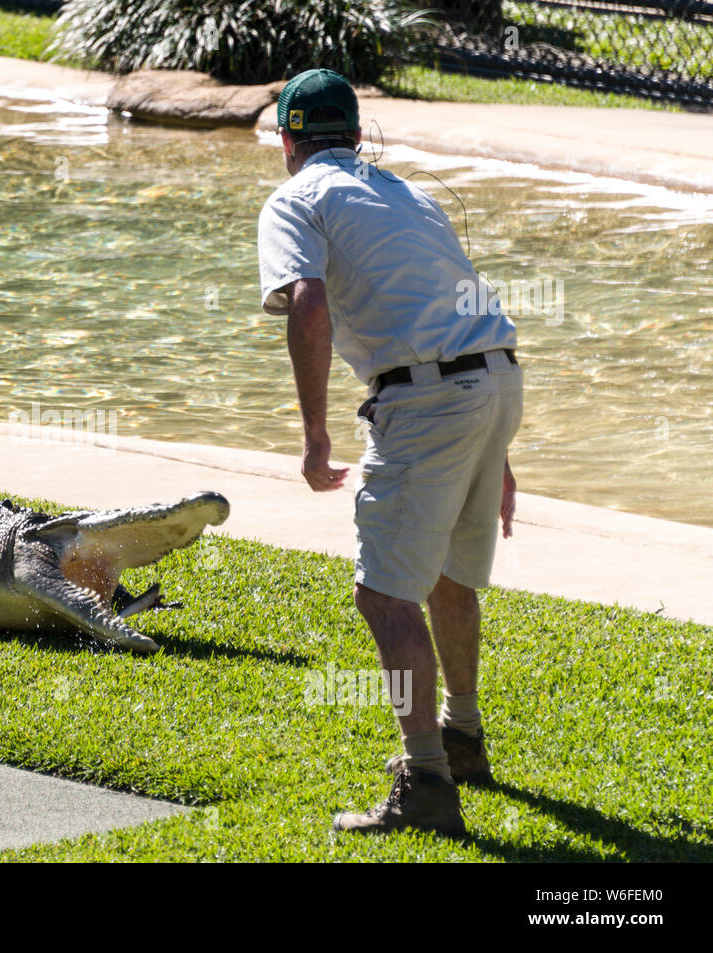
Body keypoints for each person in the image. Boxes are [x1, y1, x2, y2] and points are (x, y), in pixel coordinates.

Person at [257, 68, 523, 837]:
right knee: (445, 574)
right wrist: (495, 449)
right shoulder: (412, 194)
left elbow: (307, 301)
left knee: (384, 594)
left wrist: (315, 437)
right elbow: (460, 299)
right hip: (494, 378)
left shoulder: (296, 197)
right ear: (359, 135)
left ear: (287, 139)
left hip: (429, 400)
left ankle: (429, 784)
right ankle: (463, 737)